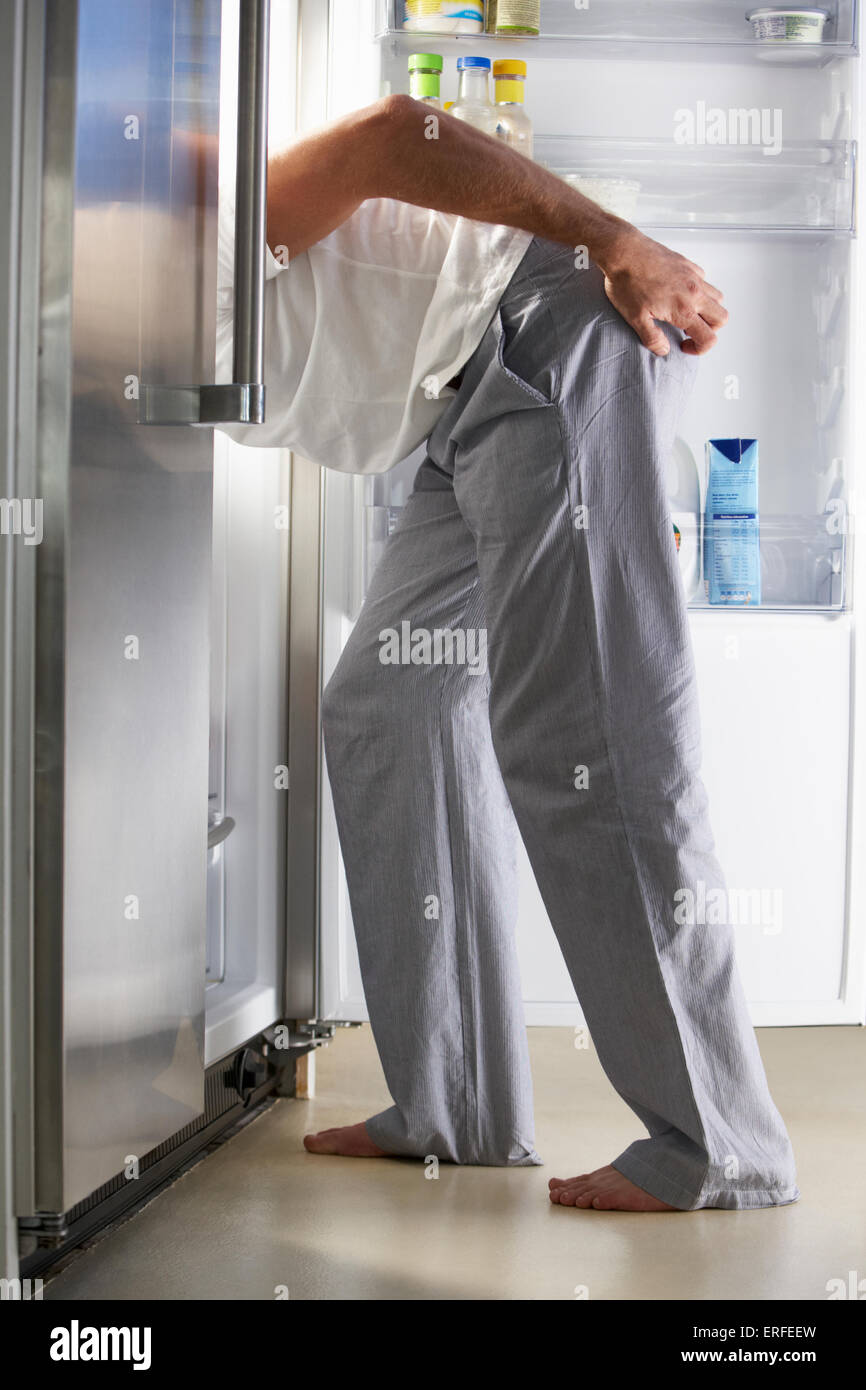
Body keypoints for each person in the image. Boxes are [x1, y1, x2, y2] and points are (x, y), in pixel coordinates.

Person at [219, 94, 799, 1212]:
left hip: (546, 343)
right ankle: (457, 1107)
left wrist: (610, 242)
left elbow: (398, 131)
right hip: (465, 412)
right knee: (388, 701)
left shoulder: (185, 217)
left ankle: (718, 1145)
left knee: (585, 737)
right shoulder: (93, 305)